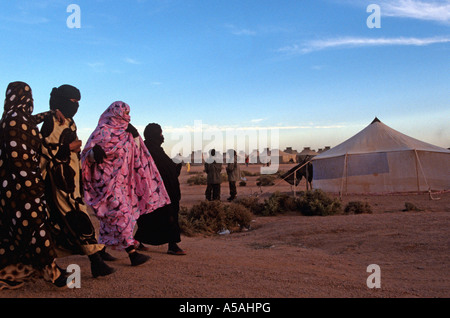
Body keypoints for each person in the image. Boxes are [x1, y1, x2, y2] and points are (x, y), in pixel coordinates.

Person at [80, 101, 170, 266]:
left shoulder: (127, 133)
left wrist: (135, 136)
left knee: (112, 217)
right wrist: (93, 153)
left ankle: (102, 250)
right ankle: (132, 253)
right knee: (122, 215)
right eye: (125, 113)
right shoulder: (102, 131)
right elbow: (85, 157)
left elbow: (138, 155)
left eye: (128, 113)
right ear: (116, 113)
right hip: (104, 184)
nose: (128, 117)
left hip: (123, 184)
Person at [40, 84, 115, 278]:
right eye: (73, 102)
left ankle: (51, 263)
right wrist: (67, 148)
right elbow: (43, 152)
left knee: (66, 222)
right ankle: (96, 262)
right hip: (59, 182)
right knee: (77, 220)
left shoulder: (70, 122)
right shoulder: (50, 122)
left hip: (73, 181)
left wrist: (89, 155)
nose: (76, 106)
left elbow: (74, 154)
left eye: (78, 103)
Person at [0, 81, 70, 289]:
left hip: (20, 185)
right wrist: (34, 186)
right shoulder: (14, 121)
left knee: (20, 233)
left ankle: (10, 274)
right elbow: (20, 156)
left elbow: (30, 122)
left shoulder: (15, 118)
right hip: (21, 187)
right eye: (28, 98)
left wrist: (48, 113)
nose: (30, 102)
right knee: (35, 227)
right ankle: (54, 273)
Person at [134, 123, 186, 255]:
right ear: (154, 134)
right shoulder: (146, 151)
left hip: (164, 191)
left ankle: (139, 241)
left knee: (153, 217)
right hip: (156, 192)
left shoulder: (157, 150)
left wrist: (176, 166)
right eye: (160, 133)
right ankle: (172, 245)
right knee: (166, 216)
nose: (162, 136)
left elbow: (168, 169)